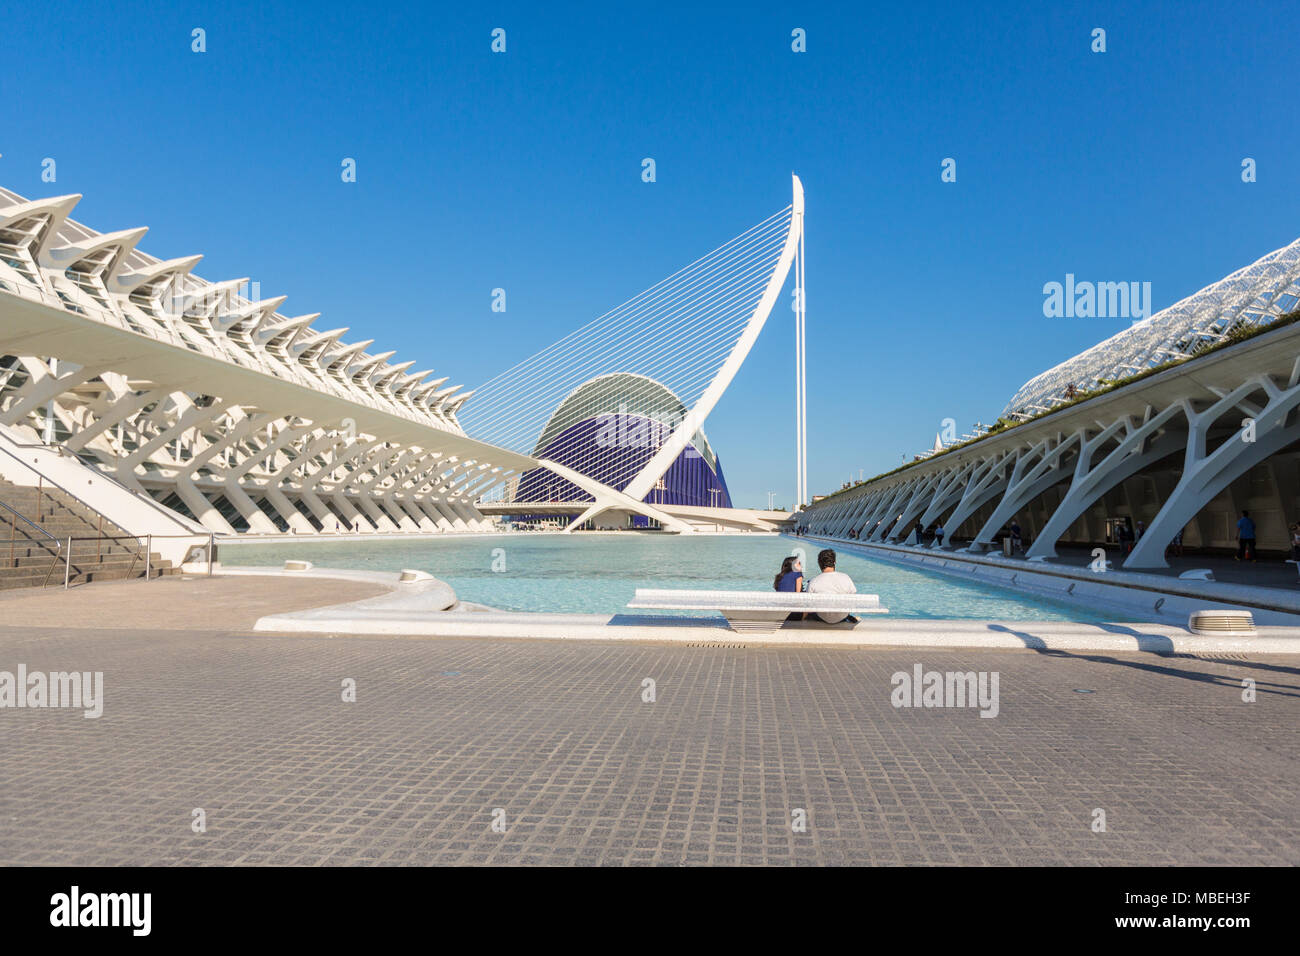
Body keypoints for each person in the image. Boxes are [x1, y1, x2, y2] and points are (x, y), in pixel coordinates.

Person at [807, 548, 858, 624]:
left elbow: (808, 604)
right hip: (842, 616)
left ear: (819, 564)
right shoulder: (845, 577)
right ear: (834, 562)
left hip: (822, 617)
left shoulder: (813, 581)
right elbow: (853, 596)